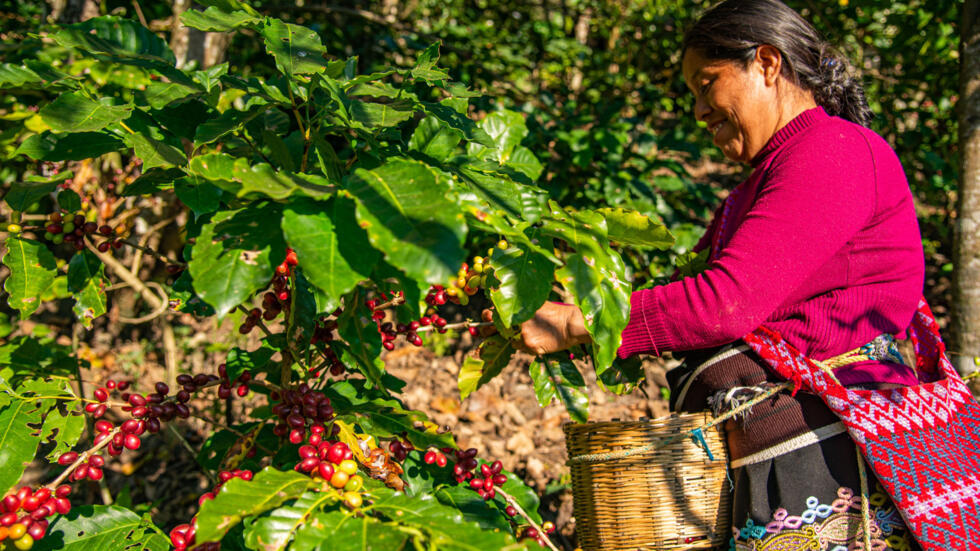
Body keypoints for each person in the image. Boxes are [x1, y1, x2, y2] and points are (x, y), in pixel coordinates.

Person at [509, 0, 927, 548]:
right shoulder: (757, 185)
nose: (700, 109)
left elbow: (724, 303)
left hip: (826, 458)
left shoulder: (833, 151)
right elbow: (690, 301)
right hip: (772, 451)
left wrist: (580, 321)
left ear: (768, 64)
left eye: (708, 84)